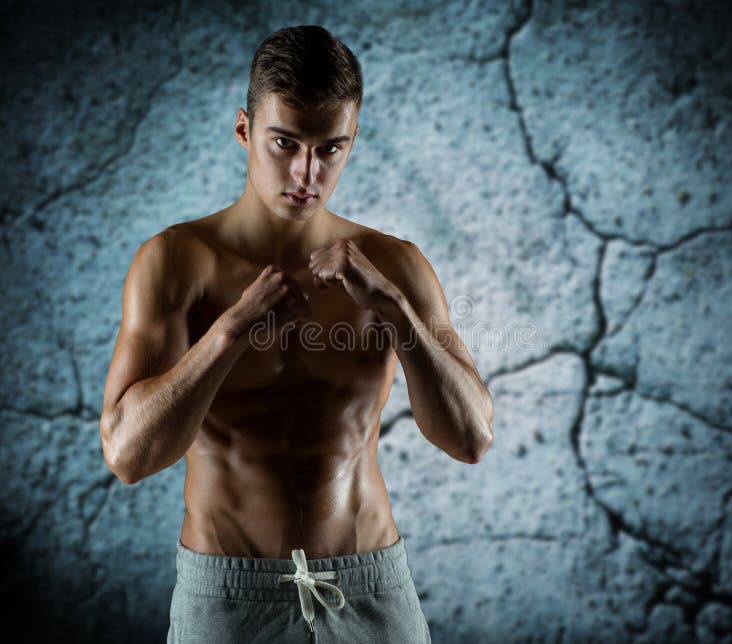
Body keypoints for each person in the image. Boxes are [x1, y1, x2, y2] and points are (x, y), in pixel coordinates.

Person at [99, 24, 493, 644]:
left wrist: (393, 308)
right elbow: (128, 455)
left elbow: (472, 438)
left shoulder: (395, 265)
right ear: (243, 130)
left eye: (330, 148)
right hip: (229, 597)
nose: (306, 170)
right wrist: (230, 331)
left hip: (370, 589)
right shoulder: (176, 261)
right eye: (284, 142)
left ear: (353, 139)